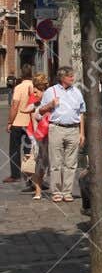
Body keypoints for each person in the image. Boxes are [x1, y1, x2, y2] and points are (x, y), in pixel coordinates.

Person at [36, 68, 85, 203]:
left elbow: (81, 113)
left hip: (73, 129)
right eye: (69, 76)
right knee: (56, 162)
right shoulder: (50, 91)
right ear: (62, 78)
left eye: (72, 76)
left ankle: (67, 192)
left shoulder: (77, 92)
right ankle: (56, 192)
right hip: (56, 128)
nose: (72, 78)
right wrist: (51, 104)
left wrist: (82, 133)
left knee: (71, 163)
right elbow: (40, 111)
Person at [6, 63, 34, 183]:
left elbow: (14, 106)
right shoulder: (34, 86)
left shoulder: (18, 88)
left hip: (18, 122)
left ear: (21, 74)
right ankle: (29, 174)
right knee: (29, 149)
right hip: (30, 123)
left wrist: (10, 122)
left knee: (14, 149)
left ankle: (15, 174)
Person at [27, 71, 51, 199]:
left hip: (41, 134)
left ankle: (38, 191)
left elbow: (32, 118)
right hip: (46, 133)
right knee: (45, 163)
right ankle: (40, 191)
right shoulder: (45, 96)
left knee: (41, 163)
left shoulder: (36, 97)